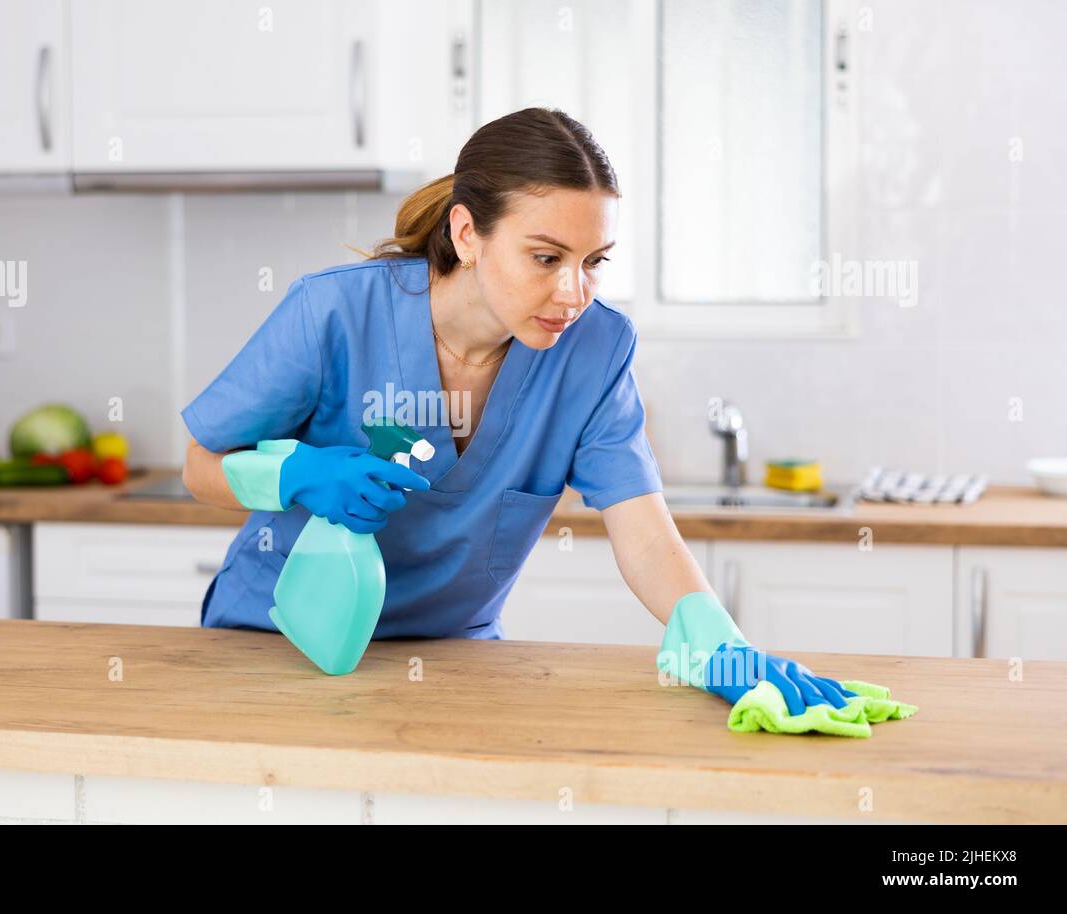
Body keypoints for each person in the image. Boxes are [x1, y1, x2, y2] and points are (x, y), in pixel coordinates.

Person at [181, 107, 855, 718]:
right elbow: (199, 463)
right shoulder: (331, 314)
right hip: (278, 644)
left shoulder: (593, 353)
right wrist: (294, 474)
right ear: (468, 232)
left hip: (454, 663)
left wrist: (715, 638)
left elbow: (644, 531)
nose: (574, 292)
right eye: (546, 257)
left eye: (595, 261)